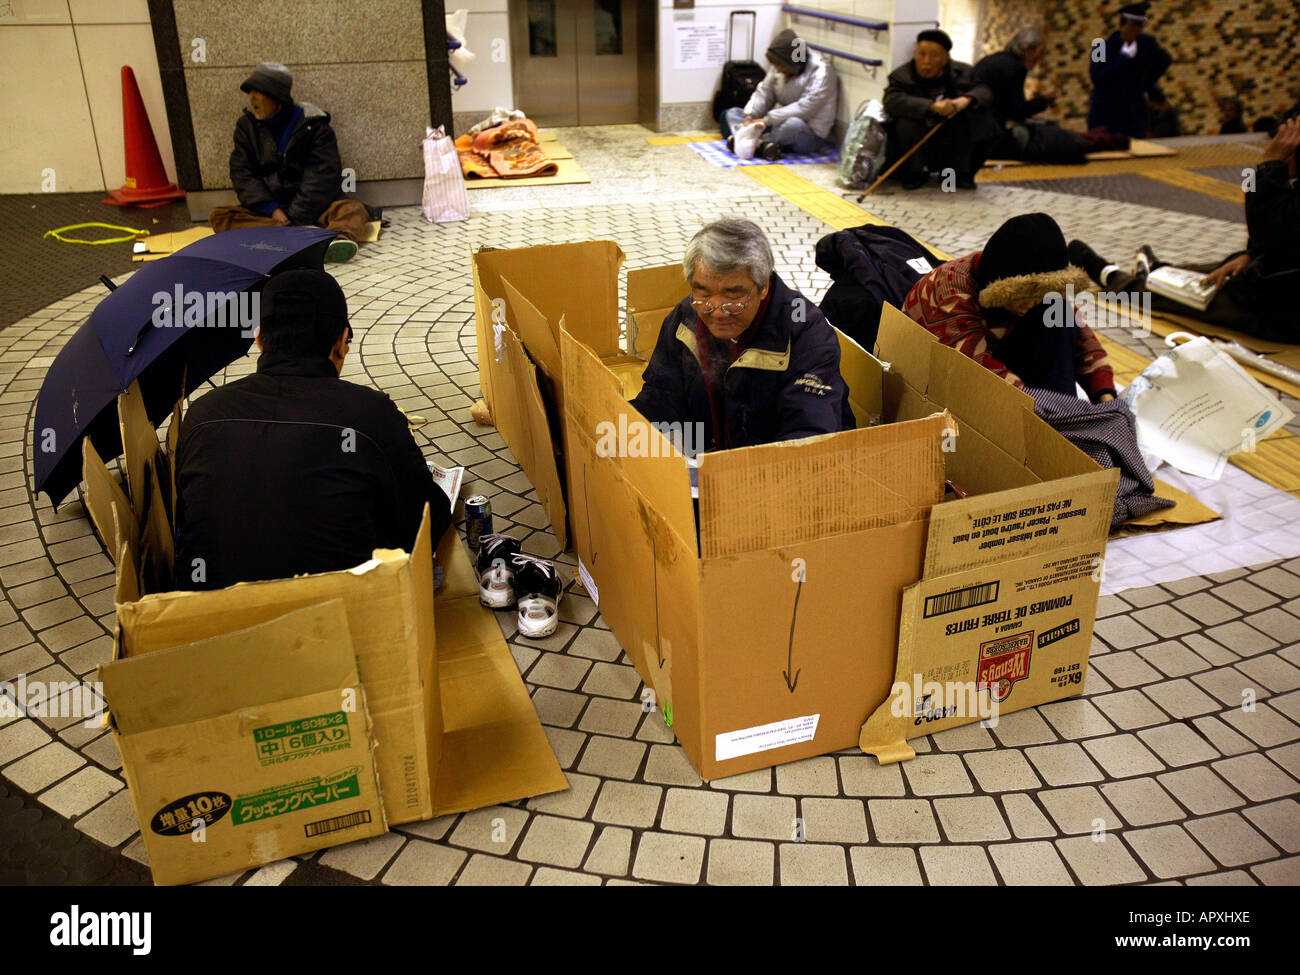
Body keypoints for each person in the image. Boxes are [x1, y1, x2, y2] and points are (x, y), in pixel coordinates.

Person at [173, 269, 452, 590]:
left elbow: (190, 521)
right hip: (343, 614)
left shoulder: (202, 414)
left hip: (213, 612)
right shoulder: (370, 413)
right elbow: (428, 519)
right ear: (341, 341)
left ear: (260, 338)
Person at [1068, 117, 1300, 343]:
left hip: (1279, 310)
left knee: (1187, 294)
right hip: (1278, 278)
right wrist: (1250, 254)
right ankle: (1157, 270)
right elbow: (1278, 234)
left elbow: (1269, 227)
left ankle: (1113, 278)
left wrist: (1270, 165)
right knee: (1213, 270)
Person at [631, 219, 854, 451]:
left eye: (733, 297)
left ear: (763, 286)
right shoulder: (684, 318)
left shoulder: (806, 332)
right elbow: (660, 396)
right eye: (704, 294)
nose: (717, 311)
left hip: (778, 470)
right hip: (706, 464)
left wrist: (740, 474)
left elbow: (810, 433)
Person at [904, 213, 1117, 402]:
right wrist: (1044, 410)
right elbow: (977, 371)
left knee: (1058, 313)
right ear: (998, 283)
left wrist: (1106, 397)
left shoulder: (1040, 296)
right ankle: (1059, 420)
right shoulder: (951, 295)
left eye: (1037, 296)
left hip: (1000, 352)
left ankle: (1062, 414)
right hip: (939, 381)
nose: (1030, 304)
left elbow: (1084, 341)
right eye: (1022, 296)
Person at [208, 62, 369, 262]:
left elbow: (323, 175)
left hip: (312, 209)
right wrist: (272, 210)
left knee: (352, 210)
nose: (252, 98)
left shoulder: (314, 126)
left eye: (260, 93)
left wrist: (297, 215)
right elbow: (242, 173)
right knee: (221, 216)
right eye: (250, 92)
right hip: (272, 212)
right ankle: (299, 238)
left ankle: (332, 242)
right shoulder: (246, 126)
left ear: (278, 99)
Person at [882, 28, 1000, 189]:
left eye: (934, 55)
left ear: (946, 59)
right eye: (921, 54)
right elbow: (892, 100)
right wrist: (931, 106)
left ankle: (955, 177)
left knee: (985, 122)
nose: (926, 61)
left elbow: (985, 91)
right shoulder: (902, 75)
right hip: (919, 134)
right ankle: (914, 175)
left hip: (951, 132)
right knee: (906, 124)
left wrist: (966, 100)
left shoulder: (963, 71)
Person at [974, 26, 1089, 163]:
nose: (1040, 58)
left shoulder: (997, 60)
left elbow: (1007, 106)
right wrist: (1043, 100)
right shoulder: (1015, 68)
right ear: (1027, 50)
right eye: (1040, 53)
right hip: (987, 139)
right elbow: (1017, 112)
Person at [722, 29, 836, 160]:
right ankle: (760, 145)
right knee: (733, 113)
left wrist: (767, 120)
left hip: (808, 132)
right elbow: (764, 92)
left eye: (782, 66)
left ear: (792, 62)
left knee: (793, 125)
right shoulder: (779, 66)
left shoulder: (822, 72)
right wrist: (750, 117)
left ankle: (744, 141)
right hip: (776, 122)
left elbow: (805, 108)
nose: (779, 70)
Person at [1087, 3, 1172, 138]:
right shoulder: (1100, 46)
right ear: (1122, 25)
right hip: (1107, 111)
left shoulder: (1147, 43)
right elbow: (1097, 77)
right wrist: (1124, 58)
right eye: (1132, 26)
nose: (1136, 31)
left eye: (1140, 26)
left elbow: (1164, 60)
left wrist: (1146, 83)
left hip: (1134, 111)